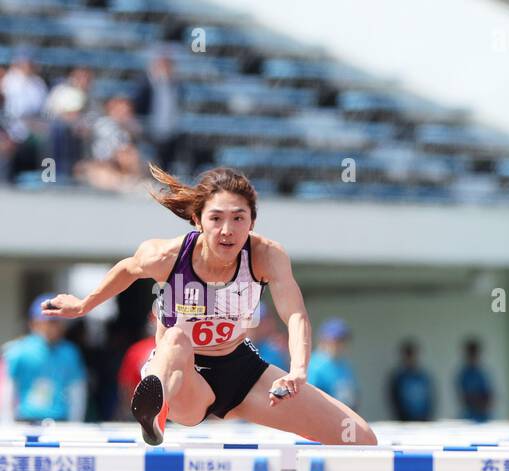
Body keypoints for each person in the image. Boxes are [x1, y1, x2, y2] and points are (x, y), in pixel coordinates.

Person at [39, 164, 377, 447]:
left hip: (243, 371)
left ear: (252, 222)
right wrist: (84, 304)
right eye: (216, 219)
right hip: (186, 377)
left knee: (359, 439)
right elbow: (128, 269)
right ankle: (154, 412)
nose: (227, 231)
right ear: (198, 220)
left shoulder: (266, 256)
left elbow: (295, 314)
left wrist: (299, 369)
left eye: (238, 219)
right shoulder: (167, 255)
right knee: (174, 340)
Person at [3, 294, 87, 423]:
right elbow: (7, 388)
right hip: (25, 421)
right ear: (34, 323)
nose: (54, 327)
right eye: (49, 321)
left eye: (57, 321)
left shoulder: (70, 352)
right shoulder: (17, 350)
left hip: (60, 421)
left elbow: (77, 390)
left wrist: (76, 423)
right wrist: (7, 422)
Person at [306, 318, 360, 410]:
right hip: (323, 416)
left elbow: (353, 393)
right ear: (323, 339)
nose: (340, 345)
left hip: (346, 416)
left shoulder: (344, 364)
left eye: (343, 340)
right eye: (336, 340)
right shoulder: (313, 365)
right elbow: (309, 398)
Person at [387, 338, 435, 421]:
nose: (411, 357)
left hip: (423, 419)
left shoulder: (423, 376)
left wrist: (427, 416)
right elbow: (393, 398)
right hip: (404, 421)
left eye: (413, 354)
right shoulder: (398, 377)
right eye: (408, 354)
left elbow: (430, 397)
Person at [456, 338, 494, 422]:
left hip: (485, 417)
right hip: (469, 417)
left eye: (475, 354)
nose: (473, 357)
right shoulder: (463, 375)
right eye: (471, 354)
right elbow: (463, 398)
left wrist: (484, 404)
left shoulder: (483, 374)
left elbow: (491, 396)